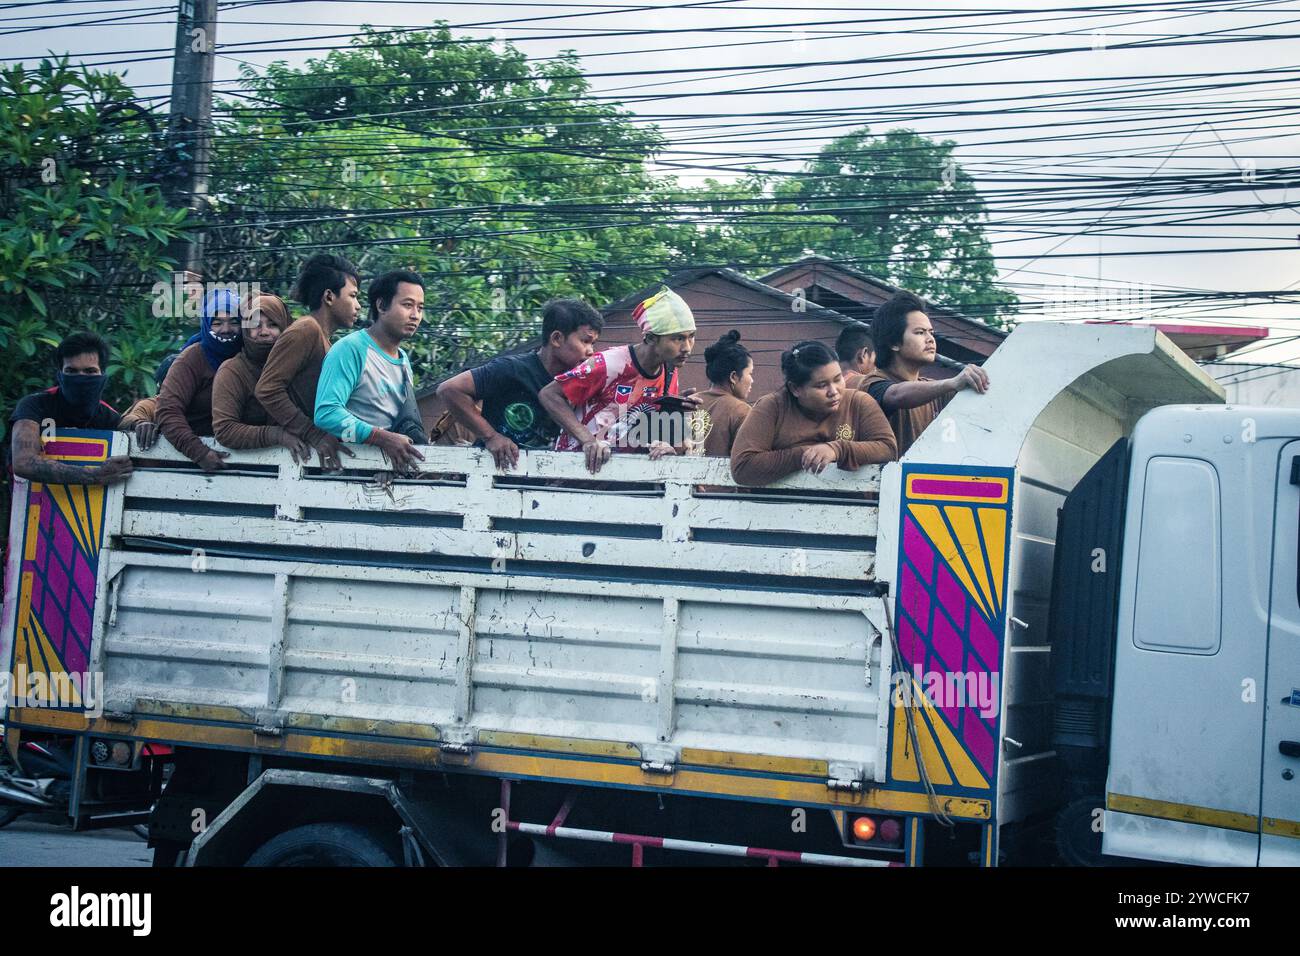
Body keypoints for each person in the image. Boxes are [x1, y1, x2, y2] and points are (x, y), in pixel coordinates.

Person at [538, 286, 698, 475]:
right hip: (575, 471)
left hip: (622, 480)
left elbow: (640, 426)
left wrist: (670, 434)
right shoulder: (608, 364)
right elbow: (549, 395)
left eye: (691, 337)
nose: (687, 347)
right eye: (678, 338)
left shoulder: (669, 372)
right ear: (651, 338)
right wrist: (588, 440)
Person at [437, 298, 603, 469]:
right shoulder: (512, 369)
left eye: (593, 344)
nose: (591, 351)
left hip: (540, 483)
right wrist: (491, 437)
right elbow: (449, 390)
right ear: (556, 338)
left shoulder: (581, 383)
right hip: (489, 474)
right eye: (585, 341)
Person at [730, 340, 896, 487]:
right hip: (779, 513)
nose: (834, 391)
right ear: (795, 389)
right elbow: (743, 467)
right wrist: (807, 454)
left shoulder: (858, 402)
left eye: (838, 379)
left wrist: (837, 449)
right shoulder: (772, 407)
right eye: (821, 385)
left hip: (848, 513)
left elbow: (888, 448)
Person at [255, 253, 363, 470]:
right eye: (353, 296)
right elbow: (267, 389)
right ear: (329, 297)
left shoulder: (327, 342)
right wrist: (313, 434)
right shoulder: (306, 330)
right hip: (287, 459)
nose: (358, 305)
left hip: (305, 458)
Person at [314, 269, 427, 472]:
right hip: (350, 475)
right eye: (407, 305)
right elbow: (326, 414)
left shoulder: (404, 361)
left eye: (420, 307)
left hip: (392, 477)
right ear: (381, 305)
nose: (415, 315)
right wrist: (381, 438)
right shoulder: (351, 349)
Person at [861, 292, 990, 456]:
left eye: (931, 332)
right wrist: (952, 383)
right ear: (893, 342)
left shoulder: (937, 391)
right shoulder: (872, 384)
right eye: (920, 332)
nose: (930, 339)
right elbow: (896, 395)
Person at [8, 332, 142, 485]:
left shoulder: (109, 418)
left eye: (90, 371)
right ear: (60, 374)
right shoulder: (35, 405)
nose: (81, 378)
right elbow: (23, 463)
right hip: (33, 504)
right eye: (71, 371)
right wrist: (95, 475)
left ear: (102, 375)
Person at [211, 293, 312, 461]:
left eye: (273, 325)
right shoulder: (233, 371)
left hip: (305, 464)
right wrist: (277, 435)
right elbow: (225, 429)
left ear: (286, 328)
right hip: (248, 468)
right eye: (256, 326)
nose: (264, 332)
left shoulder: (301, 365)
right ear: (245, 330)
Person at [153, 288, 244, 473]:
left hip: (242, 460)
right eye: (217, 323)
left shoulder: (248, 354)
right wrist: (199, 452)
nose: (226, 330)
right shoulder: (192, 358)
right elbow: (167, 410)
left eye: (233, 322)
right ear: (206, 324)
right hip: (184, 461)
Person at [695, 329, 753, 458]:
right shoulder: (741, 411)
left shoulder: (688, 402)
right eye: (750, 373)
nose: (752, 380)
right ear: (733, 377)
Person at [834, 323, 876, 390]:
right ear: (863, 354)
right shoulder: (868, 384)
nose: (878, 365)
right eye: (877, 357)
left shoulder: (824, 385)